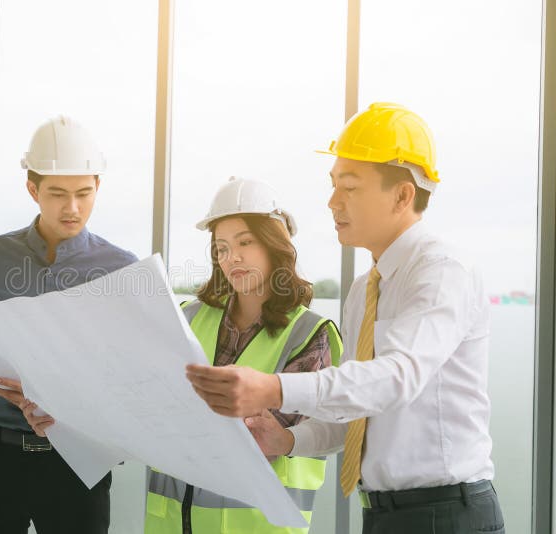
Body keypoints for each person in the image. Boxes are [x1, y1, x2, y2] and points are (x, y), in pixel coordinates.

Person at [186, 103, 505, 534]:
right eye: (333, 185)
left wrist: (274, 389)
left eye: (350, 187)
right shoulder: (363, 291)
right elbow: (357, 413)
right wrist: (290, 440)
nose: (332, 202)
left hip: (446, 514)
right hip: (384, 514)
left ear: (402, 195)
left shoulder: (442, 271)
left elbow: (396, 378)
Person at [0, 115, 137, 534]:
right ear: (33, 190)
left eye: (84, 193)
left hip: (76, 463)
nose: (72, 208)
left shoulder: (122, 270)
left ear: (98, 186)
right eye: (57, 194)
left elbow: (131, 376)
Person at [141, 177, 342, 534]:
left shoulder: (309, 335)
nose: (231, 257)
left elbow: (264, 437)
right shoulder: (188, 318)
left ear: (274, 245)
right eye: (221, 248)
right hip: (169, 524)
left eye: (245, 242)